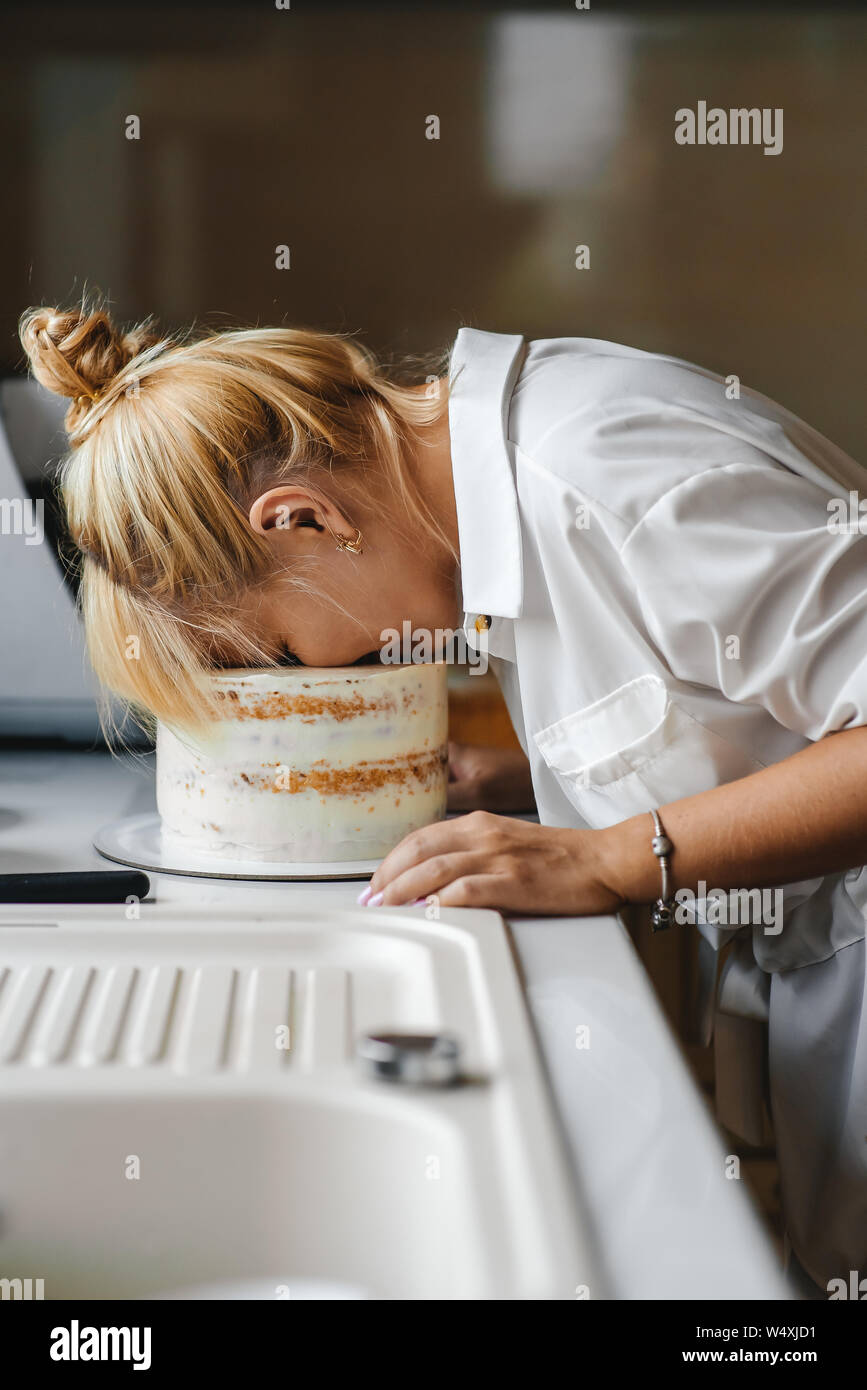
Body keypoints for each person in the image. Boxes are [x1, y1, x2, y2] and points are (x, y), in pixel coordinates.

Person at [20, 304, 867, 1293]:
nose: (327, 671)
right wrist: (538, 783)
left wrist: (615, 856)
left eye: (285, 650)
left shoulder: (602, 471)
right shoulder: (490, 497)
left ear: (302, 519)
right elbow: (736, 696)